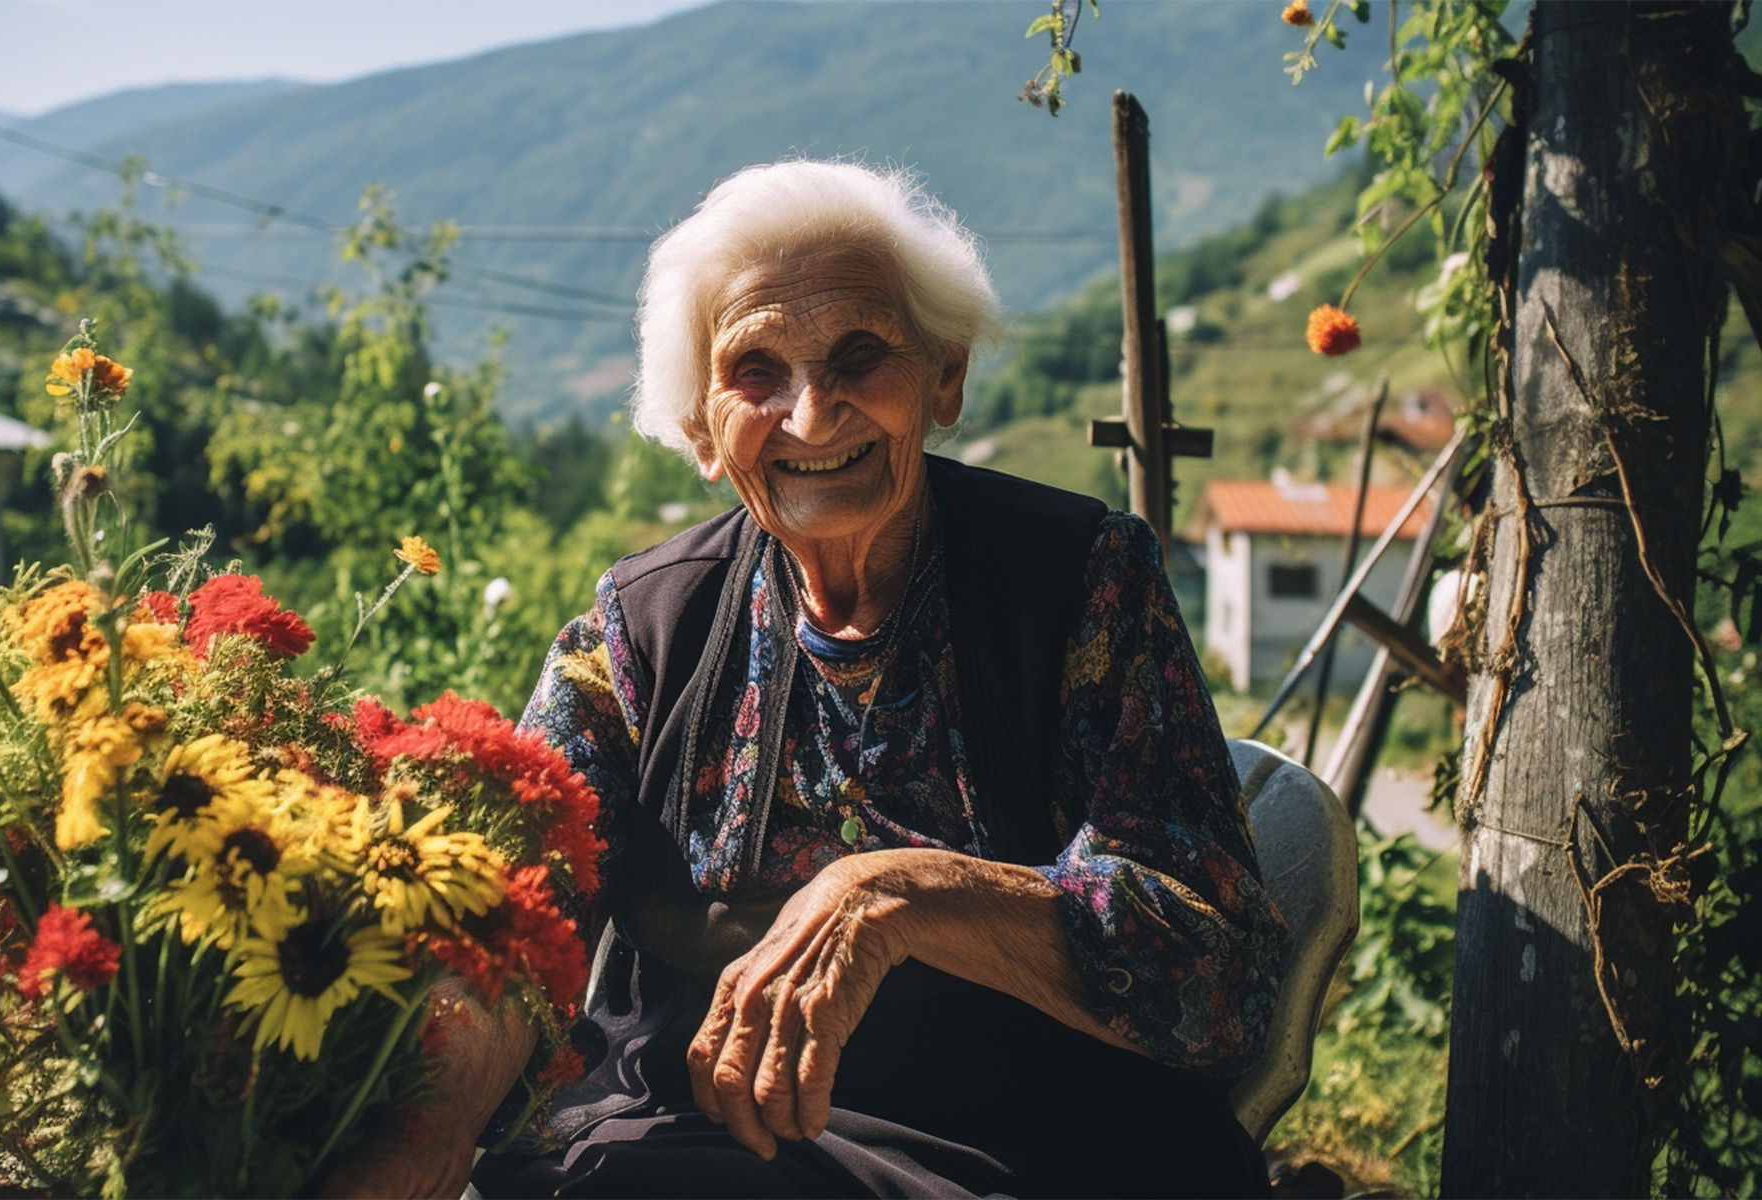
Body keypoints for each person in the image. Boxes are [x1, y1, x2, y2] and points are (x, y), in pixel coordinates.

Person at [330, 160, 1287, 1200]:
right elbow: (520, 913)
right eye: (754, 371)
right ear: (699, 428)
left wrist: (894, 893)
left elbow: (1217, 977)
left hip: (1026, 1143)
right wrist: (428, 1131)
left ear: (945, 379)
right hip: (695, 1131)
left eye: (859, 354)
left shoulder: (1079, 582)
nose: (811, 412)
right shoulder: (638, 631)